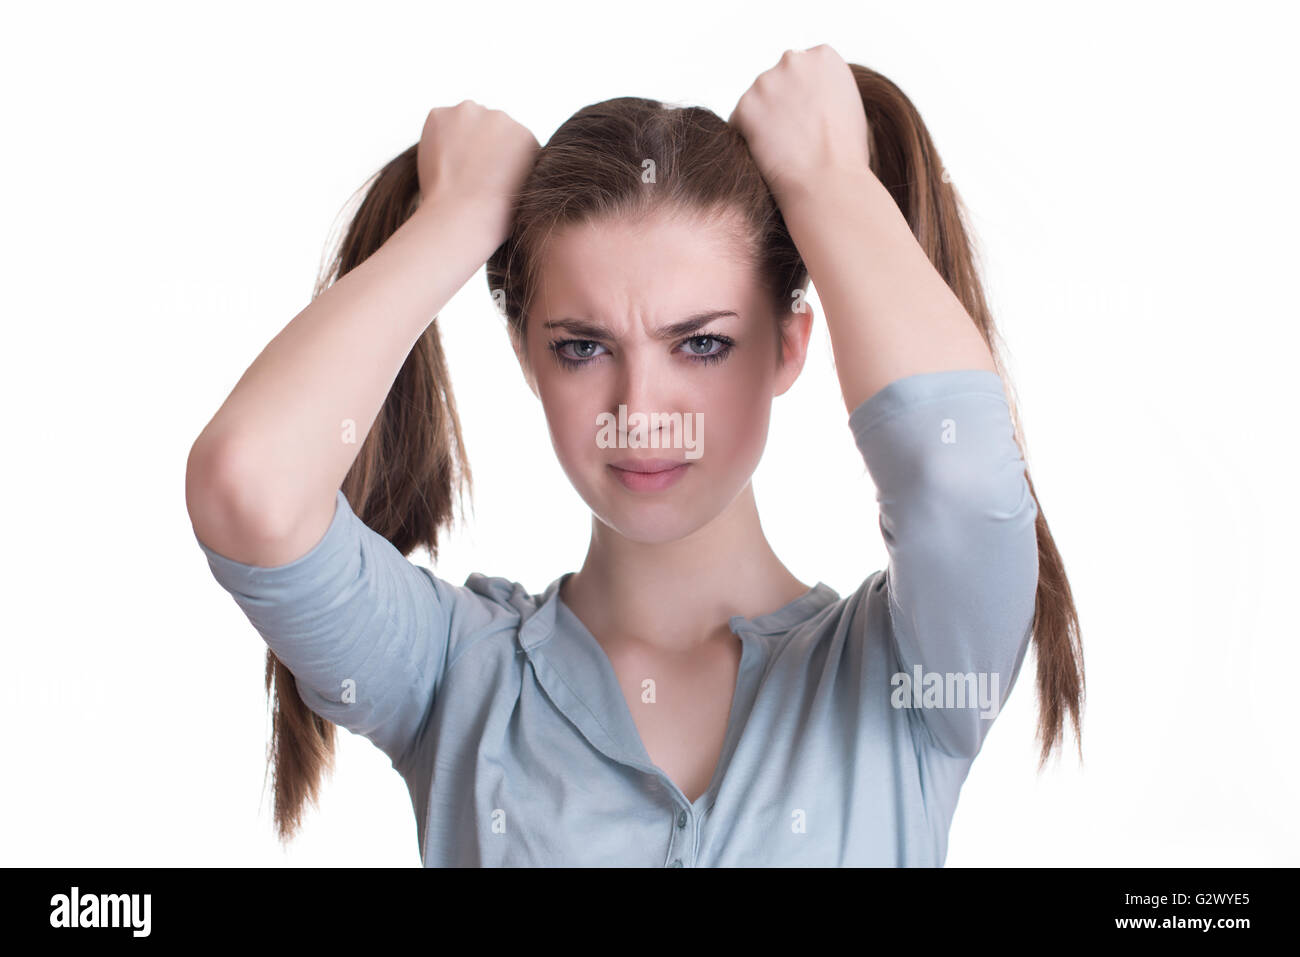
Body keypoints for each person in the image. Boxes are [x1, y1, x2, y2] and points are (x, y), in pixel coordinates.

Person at [186, 45, 1083, 866]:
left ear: (789, 346)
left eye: (700, 344)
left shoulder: (914, 678)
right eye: (582, 346)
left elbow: (962, 474)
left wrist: (828, 182)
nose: (640, 411)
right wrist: (457, 219)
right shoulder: (452, 678)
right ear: (527, 356)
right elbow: (249, 485)